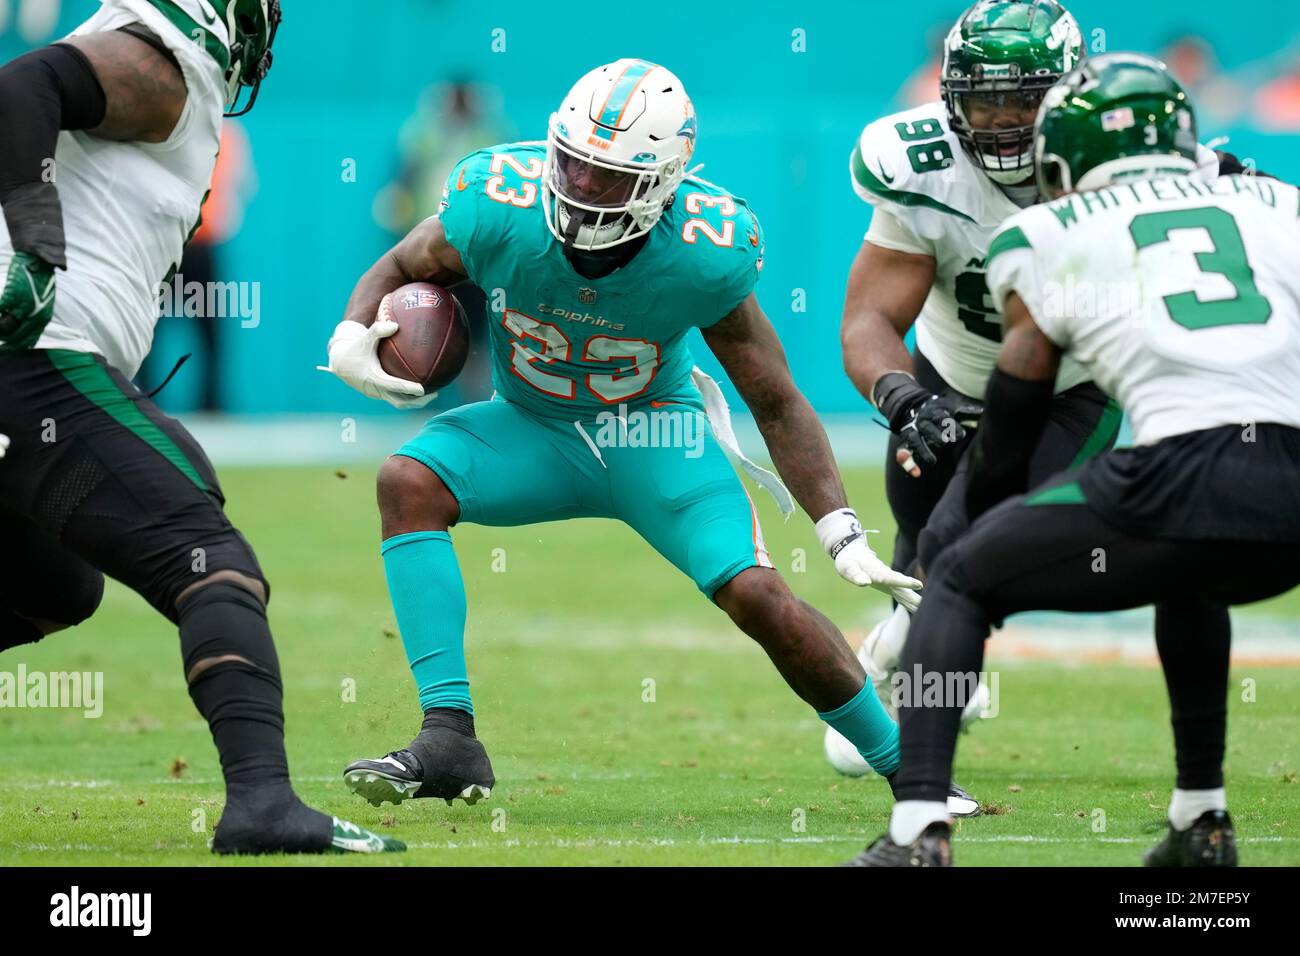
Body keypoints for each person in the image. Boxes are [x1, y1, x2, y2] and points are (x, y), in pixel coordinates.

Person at [321, 58, 982, 815]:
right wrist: (350, 332)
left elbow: (772, 397)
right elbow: (404, 262)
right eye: (570, 162)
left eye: (606, 176)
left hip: (652, 436)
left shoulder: (704, 250)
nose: (578, 186)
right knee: (407, 481)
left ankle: (912, 772)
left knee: (759, 596)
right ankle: (449, 737)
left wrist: (840, 533)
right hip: (530, 426)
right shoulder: (495, 202)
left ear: (662, 183)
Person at [850, 53, 1300, 866]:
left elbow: (1017, 414)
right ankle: (1201, 821)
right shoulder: (1281, 202)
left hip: (1178, 473)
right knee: (1190, 572)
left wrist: (969, 515)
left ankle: (917, 832)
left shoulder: (1050, 231)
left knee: (954, 571)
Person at [0, 0, 401, 854]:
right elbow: (21, 82)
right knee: (207, 556)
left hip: (31, 371)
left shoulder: (135, 69)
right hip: (36, 362)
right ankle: (262, 803)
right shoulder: (161, 65)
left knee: (52, 587)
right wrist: (36, 247)